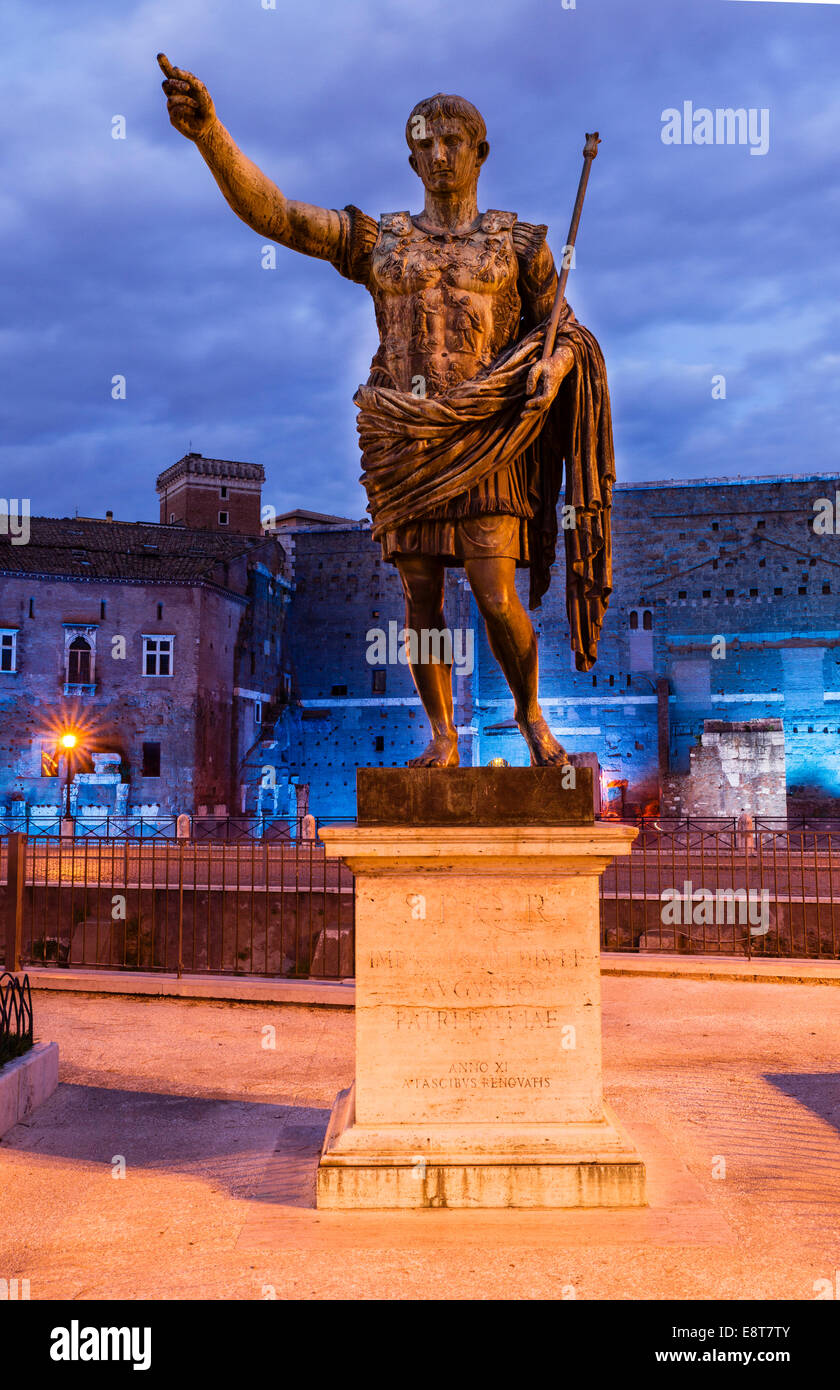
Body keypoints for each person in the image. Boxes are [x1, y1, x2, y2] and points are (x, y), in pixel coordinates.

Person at [159, 60, 615, 767]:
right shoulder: (383, 241)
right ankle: (441, 737)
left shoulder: (518, 244)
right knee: (421, 592)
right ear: (411, 156)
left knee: (495, 591)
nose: (439, 154)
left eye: (453, 141)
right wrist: (209, 135)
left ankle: (530, 718)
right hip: (405, 438)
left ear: (480, 152)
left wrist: (553, 367)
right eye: (425, 142)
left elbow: (564, 328)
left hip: (487, 437)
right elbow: (277, 216)